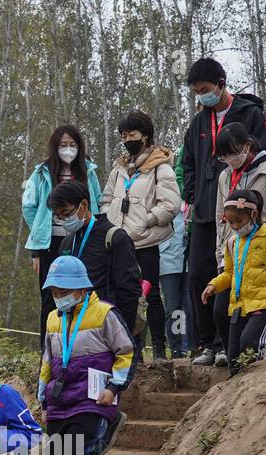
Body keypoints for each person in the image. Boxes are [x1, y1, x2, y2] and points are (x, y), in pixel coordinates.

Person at [182, 58, 266, 366]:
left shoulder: (249, 113)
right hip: (207, 211)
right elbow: (188, 164)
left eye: (206, 89)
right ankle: (207, 342)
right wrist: (193, 195)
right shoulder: (198, 123)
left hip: (243, 210)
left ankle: (232, 343)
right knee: (198, 273)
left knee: (234, 274)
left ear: (221, 83)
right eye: (197, 92)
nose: (202, 96)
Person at [38, 255, 135, 455]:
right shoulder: (53, 318)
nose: (58, 298)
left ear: (81, 289)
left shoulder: (104, 313)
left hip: (94, 397)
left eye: (63, 292)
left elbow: (126, 351)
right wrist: (43, 398)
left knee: (79, 451)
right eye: (54, 293)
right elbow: (48, 360)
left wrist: (115, 387)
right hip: (59, 400)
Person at [100, 110, 181, 360]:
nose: (126, 139)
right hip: (118, 243)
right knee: (124, 296)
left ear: (145, 135)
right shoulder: (119, 169)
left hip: (145, 241)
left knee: (152, 295)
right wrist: (110, 222)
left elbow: (170, 204)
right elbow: (105, 199)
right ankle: (130, 350)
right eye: (123, 135)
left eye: (131, 134)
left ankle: (158, 347)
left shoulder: (160, 168)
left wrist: (144, 221)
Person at [200, 188, 266, 373]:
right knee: (234, 359)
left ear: (254, 214)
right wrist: (213, 285)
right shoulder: (232, 243)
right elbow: (229, 273)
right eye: (230, 223)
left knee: (251, 344)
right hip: (239, 306)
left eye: (239, 221)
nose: (236, 227)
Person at [22, 125, 104, 338]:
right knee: (51, 297)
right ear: (54, 147)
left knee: (83, 292)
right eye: (63, 145)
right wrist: (38, 241)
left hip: (81, 237)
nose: (68, 149)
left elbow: (98, 201)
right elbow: (28, 206)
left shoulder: (88, 171)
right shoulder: (41, 173)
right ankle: (48, 350)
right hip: (51, 243)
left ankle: (83, 343)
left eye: (73, 145)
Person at [48, 180, 143, 336]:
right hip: (77, 331)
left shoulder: (115, 237)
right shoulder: (66, 244)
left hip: (109, 329)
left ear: (83, 205)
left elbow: (129, 291)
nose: (64, 220)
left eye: (66, 214)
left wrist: (123, 336)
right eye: (58, 217)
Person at [159, 198, 189, 358]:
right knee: (173, 308)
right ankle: (176, 349)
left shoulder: (190, 202)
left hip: (189, 259)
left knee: (189, 306)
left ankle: (189, 346)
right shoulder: (163, 201)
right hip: (167, 260)